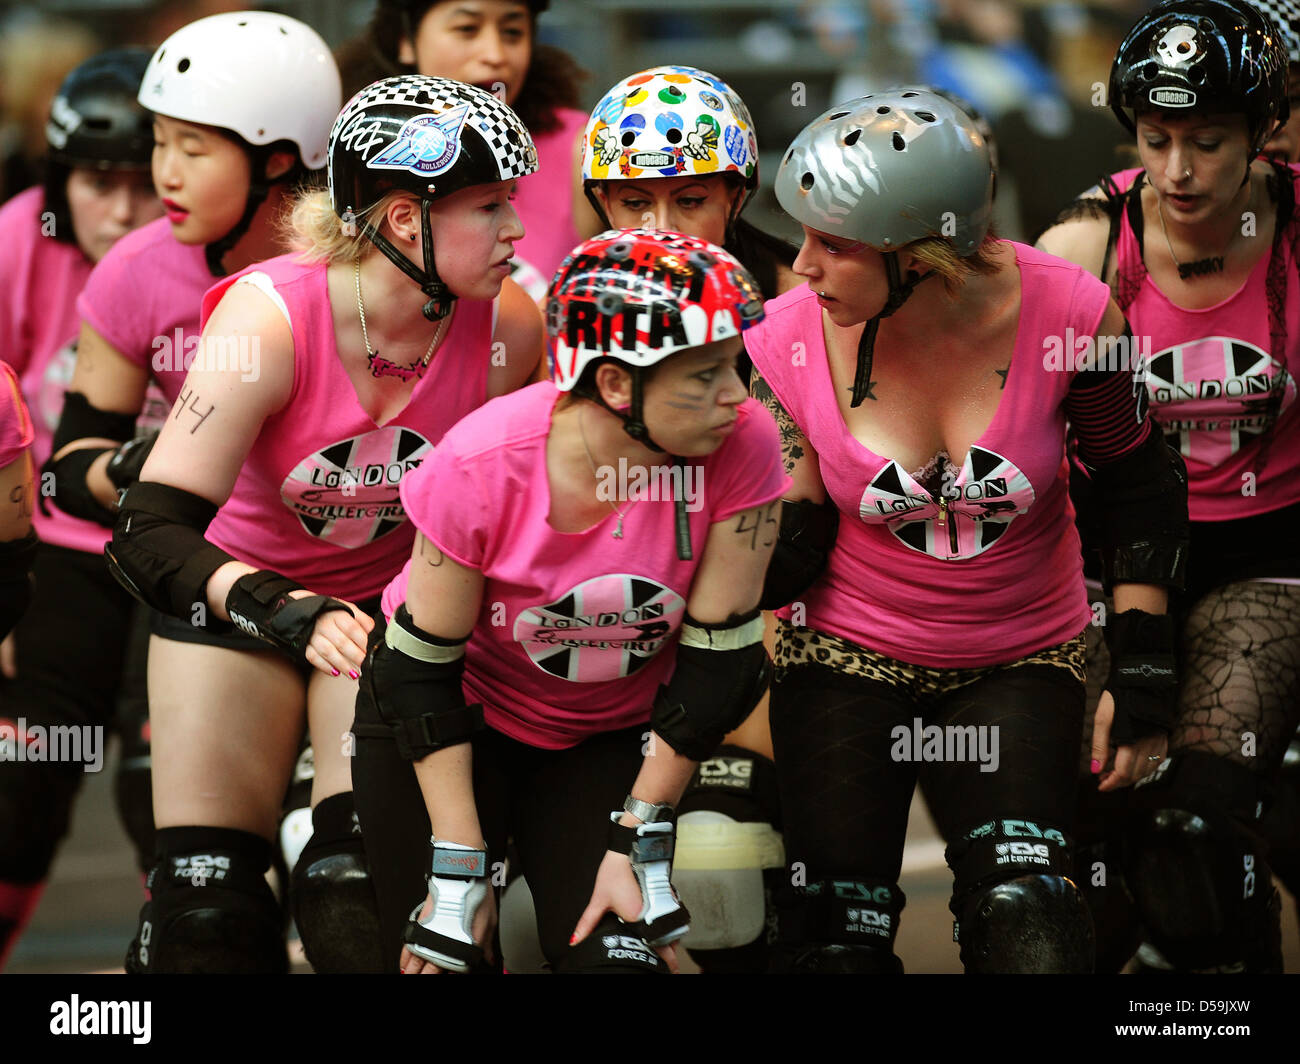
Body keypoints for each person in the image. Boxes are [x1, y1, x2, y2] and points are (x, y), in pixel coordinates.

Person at [107, 71, 543, 974]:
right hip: (233, 602)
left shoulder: (507, 323)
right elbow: (146, 531)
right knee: (207, 916)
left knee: (357, 889)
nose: (518, 230)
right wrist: (279, 606)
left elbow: (510, 526)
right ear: (401, 221)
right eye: (490, 207)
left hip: (382, 620)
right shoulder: (268, 320)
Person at [749, 88, 1189, 973]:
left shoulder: (1071, 312)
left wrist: (1141, 679)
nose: (800, 267)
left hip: (1020, 654)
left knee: (1029, 917)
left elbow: (1136, 486)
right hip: (844, 656)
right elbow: (786, 538)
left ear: (919, 256)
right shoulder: (784, 338)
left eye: (831, 245)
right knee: (835, 944)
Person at [350, 228, 787, 974]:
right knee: (439, 960)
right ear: (618, 386)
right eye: (706, 373)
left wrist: (639, 842)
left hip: (604, 740)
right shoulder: (478, 463)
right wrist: (458, 872)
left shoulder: (745, 443)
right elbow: (416, 670)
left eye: (736, 367)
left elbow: (722, 667)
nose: (737, 396)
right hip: (456, 725)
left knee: (623, 965)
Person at [41, 11, 346, 971]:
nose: (159, 175)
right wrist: (148, 465)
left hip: (355, 582)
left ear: (280, 159)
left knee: (348, 889)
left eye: (187, 148)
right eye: (156, 143)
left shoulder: (354, 270)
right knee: (203, 919)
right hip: (189, 568)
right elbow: (65, 465)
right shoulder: (136, 272)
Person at [1037, 0, 1295, 973]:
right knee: (1092, 852)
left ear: (1263, 133)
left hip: (1268, 552)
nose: (1179, 171)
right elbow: (1028, 452)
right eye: (1156, 140)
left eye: (1209, 141)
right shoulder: (1083, 249)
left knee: (1193, 826)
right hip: (1113, 553)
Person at [569, 64, 800, 973]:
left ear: (738, 196)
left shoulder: (795, 297)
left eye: (690, 200)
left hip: (773, 604)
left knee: (721, 871)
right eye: (632, 204)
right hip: (612, 606)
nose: (658, 231)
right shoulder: (571, 304)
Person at [0, 48, 160, 970]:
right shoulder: (26, 234)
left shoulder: (206, 251)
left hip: (183, 551)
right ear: (63, 178)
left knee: (168, 804)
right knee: (17, 791)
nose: (127, 209)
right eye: (100, 182)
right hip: (49, 552)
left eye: (147, 180)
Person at [345, 0, 596, 291]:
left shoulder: (584, 148)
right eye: (467, 28)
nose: (495, 55)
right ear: (406, 39)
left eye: (512, 32)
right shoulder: (354, 147)